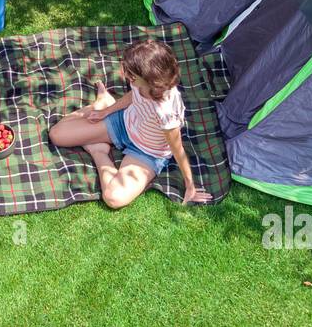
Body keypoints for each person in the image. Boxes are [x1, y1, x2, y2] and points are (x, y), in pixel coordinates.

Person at [49, 39, 212, 208]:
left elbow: (178, 150)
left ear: (151, 80)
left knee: (114, 198)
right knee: (56, 135)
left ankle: (98, 151)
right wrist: (107, 111)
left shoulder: (167, 112)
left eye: (132, 75)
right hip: (123, 124)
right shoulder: (140, 82)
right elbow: (134, 96)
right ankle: (103, 103)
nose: (127, 76)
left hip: (147, 152)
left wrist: (190, 184)